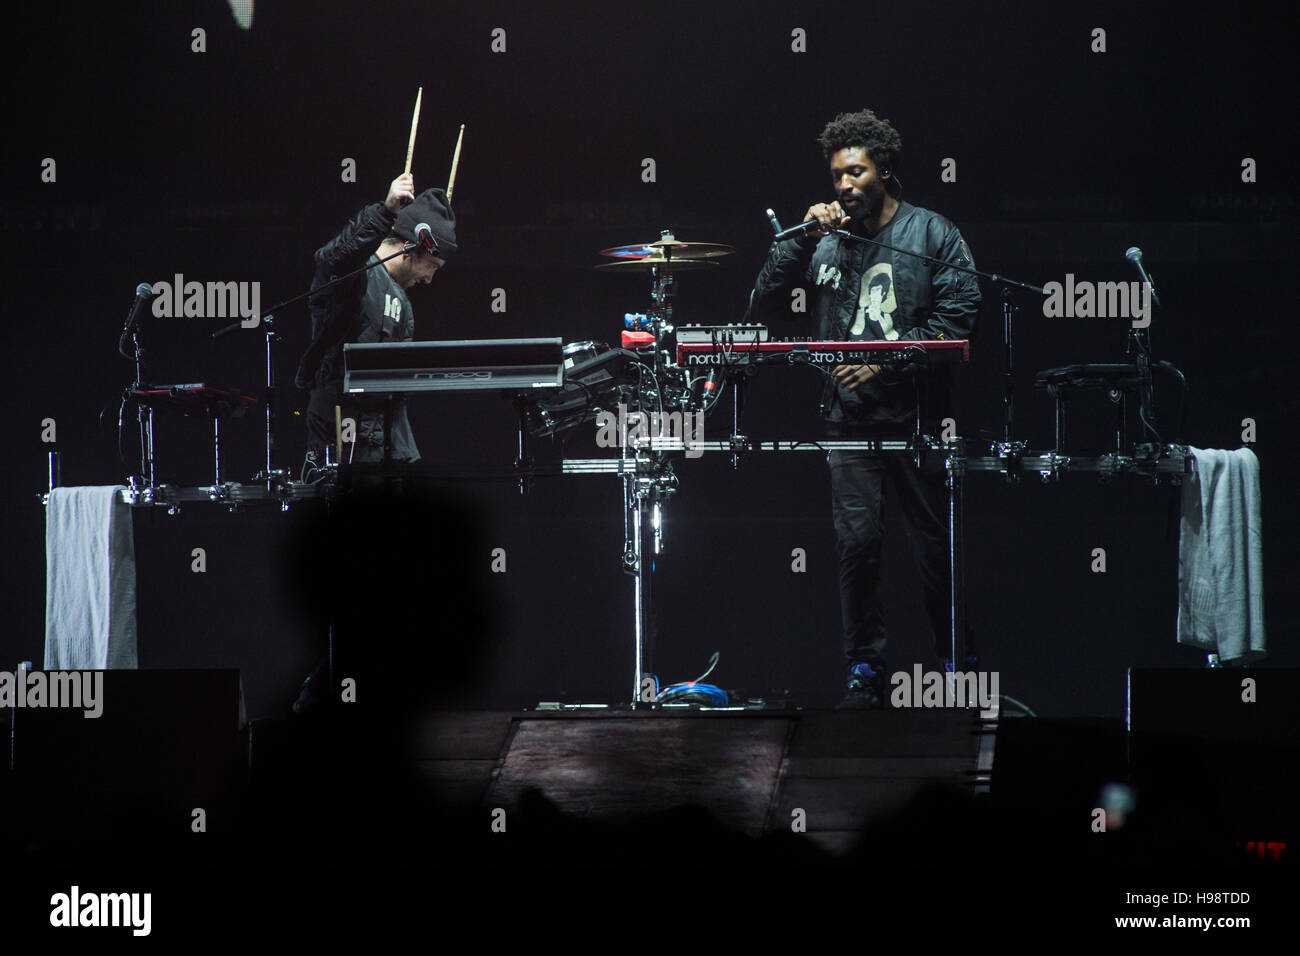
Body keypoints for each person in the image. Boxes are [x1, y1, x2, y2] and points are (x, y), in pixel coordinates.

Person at [745, 109, 981, 709]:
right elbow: (764, 304)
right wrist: (798, 236)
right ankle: (865, 671)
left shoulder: (932, 234)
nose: (845, 186)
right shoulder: (824, 240)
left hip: (920, 421)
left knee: (934, 546)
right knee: (857, 547)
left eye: (856, 172)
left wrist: (885, 362)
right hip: (847, 421)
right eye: (836, 176)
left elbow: (959, 314)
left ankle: (956, 665)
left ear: (886, 171)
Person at [295, 172, 457, 468]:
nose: (430, 279)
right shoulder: (356, 277)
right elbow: (332, 260)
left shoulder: (402, 302)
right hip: (344, 440)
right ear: (408, 248)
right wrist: (384, 212)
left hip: (388, 446)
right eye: (431, 266)